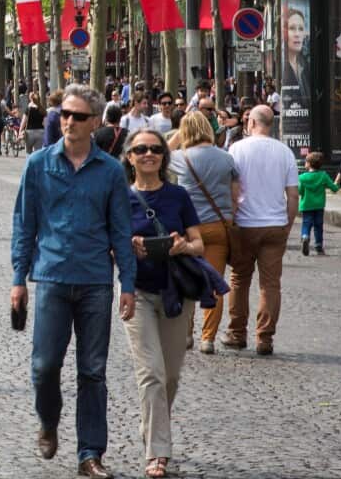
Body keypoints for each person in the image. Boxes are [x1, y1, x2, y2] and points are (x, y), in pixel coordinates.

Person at [11, 84, 135, 479]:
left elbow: (121, 231)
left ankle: (90, 454)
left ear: (95, 122)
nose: (68, 121)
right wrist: (18, 279)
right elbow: (24, 224)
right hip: (50, 277)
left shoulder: (112, 171)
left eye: (78, 116)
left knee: (93, 371)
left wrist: (127, 284)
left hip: (96, 282)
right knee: (44, 366)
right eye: (64, 114)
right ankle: (48, 420)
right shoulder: (38, 165)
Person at [121, 128, 205, 478]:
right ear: (130, 157)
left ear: (163, 156)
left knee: (170, 376)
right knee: (151, 373)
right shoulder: (120, 199)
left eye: (155, 149)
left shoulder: (178, 196)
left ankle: (151, 430)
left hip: (175, 294)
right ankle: (157, 452)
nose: (148, 154)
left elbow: (200, 244)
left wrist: (183, 246)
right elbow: (109, 246)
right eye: (141, 149)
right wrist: (130, 244)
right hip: (138, 293)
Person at [225, 105, 298, 355]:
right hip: (275, 225)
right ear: (271, 123)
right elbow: (293, 195)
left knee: (239, 279)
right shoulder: (285, 152)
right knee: (270, 284)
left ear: (252, 123)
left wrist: (232, 218)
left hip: (245, 224)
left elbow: (231, 190)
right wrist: (287, 225)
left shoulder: (236, 149)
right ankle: (264, 338)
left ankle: (236, 333)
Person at [167, 111, 239, 354]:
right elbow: (235, 195)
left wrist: (180, 133)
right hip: (219, 227)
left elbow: (159, 153)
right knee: (215, 283)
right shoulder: (226, 158)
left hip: (189, 230)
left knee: (186, 281)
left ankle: (186, 335)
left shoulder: (180, 157)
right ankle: (207, 338)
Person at [297, 151, 339, 256]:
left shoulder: (302, 177)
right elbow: (334, 188)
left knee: (306, 223)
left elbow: (300, 191)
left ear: (309, 164)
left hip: (306, 205)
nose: (304, 163)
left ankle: (305, 236)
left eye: (306, 161)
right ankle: (318, 246)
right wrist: (338, 183)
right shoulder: (323, 175)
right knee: (318, 226)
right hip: (319, 206)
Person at [282, 7, 310, 105]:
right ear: (284, 33)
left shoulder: (305, 65)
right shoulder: (282, 65)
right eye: (292, 28)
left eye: (301, 29)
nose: (297, 34)